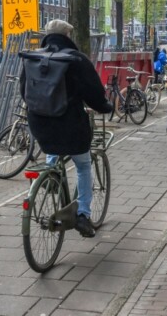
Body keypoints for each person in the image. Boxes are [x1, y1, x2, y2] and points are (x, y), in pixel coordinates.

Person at [20, 19, 113, 238]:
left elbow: (24, 91)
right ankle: (83, 215)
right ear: (67, 36)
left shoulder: (33, 57)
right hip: (70, 125)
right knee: (82, 165)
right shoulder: (76, 59)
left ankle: (51, 176)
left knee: (53, 145)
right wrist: (104, 107)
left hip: (39, 124)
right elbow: (94, 93)